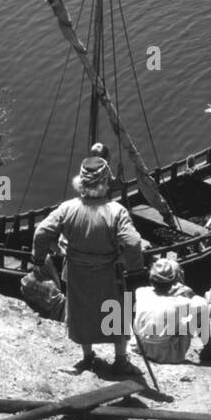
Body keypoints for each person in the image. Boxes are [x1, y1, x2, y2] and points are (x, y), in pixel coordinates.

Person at [32, 155, 144, 374]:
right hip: (109, 272)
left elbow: (41, 232)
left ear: (81, 182)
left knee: (82, 310)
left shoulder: (67, 208)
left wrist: (44, 256)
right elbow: (133, 242)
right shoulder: (116, 211)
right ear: (105, 182)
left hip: (77, 271)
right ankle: (120, 360)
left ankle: (87, 357)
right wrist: (131, 266)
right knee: (116, 311)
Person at [129, 257, 211, 365]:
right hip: (165, 354)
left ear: (151, 279)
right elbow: (203, 305)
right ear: (174, 281)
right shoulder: (180, 302)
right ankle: (208, 349)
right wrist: (186, 291)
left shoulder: (141, 292)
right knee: (200, 311)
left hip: (139, 347)